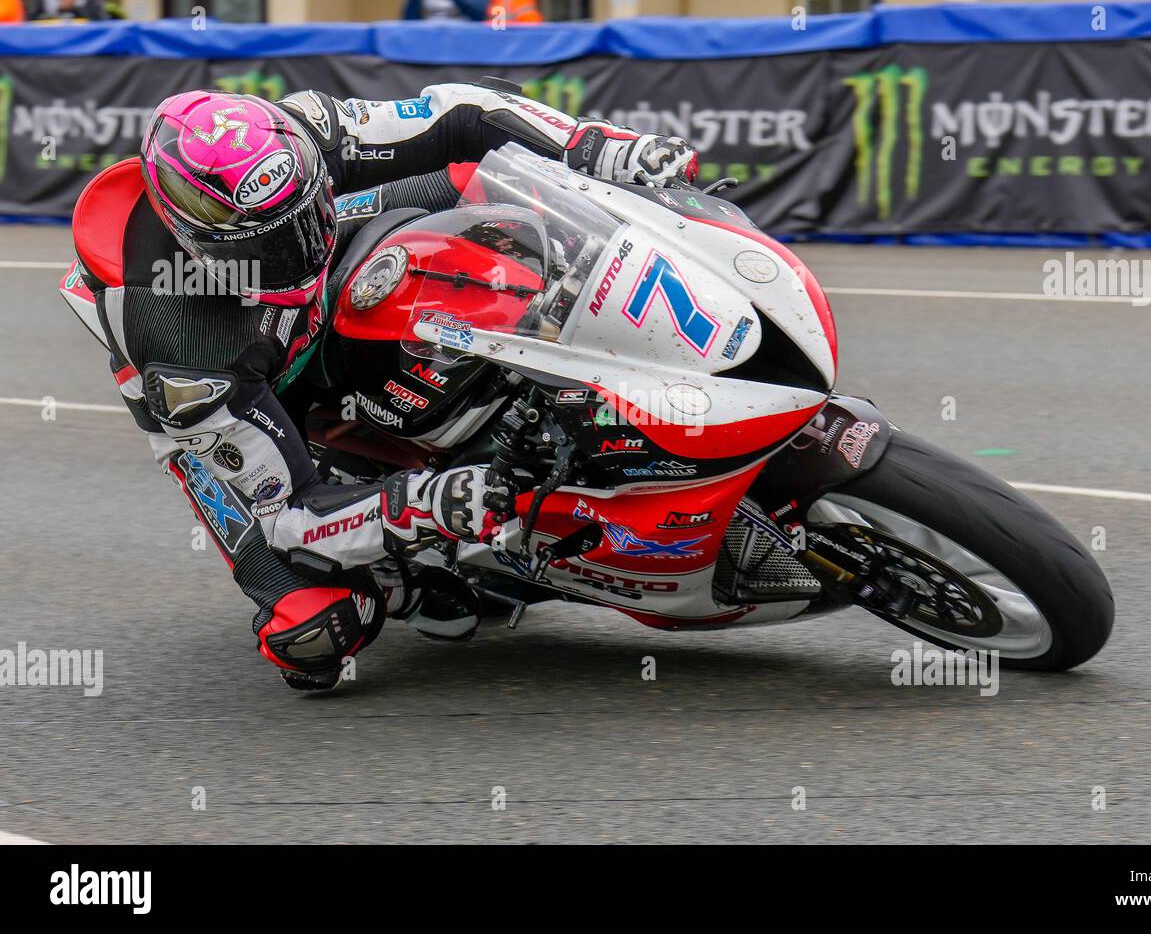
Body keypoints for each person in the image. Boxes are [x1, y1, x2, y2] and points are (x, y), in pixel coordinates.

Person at [69, 82, 698, 691]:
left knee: (478, 181)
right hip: (238, 391)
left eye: (301, 214)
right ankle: (407, 575)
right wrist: (426, 501)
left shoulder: (302, 132)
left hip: (318, 256)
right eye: (274, 244)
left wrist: (599, 146)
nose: (301, 246)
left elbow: (459, 111)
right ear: (203, 246)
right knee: (318, 627)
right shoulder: (186, 360)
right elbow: (289, 512)